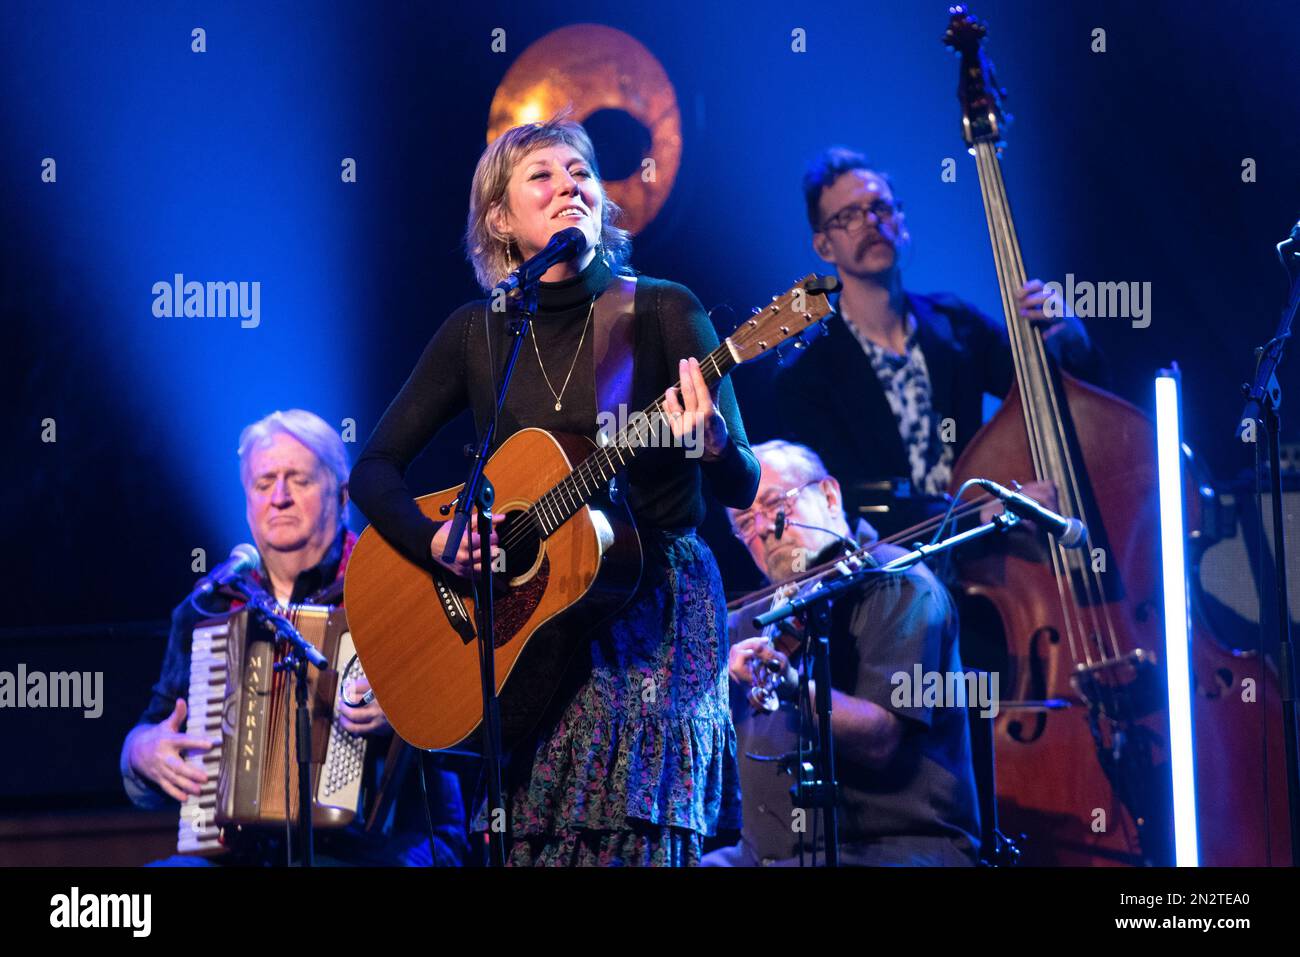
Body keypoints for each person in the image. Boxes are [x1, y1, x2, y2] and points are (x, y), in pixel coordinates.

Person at [348, 117, 761, 866]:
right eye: (542, 174)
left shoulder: (663, 310)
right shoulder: (480, 334)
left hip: (652, 623)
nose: (569, 183)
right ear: (500, 218)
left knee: (632, 843)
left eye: (582, 172)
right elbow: (372, 468)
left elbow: (743, 483)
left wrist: (713, 443)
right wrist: (438, 541)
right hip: (526, 632)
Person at [120, 409, 466, 866]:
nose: (279, 497)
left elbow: (471, 711)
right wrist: (139, 753)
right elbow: (157, 726)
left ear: (342, 496)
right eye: (264, 484)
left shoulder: (393, 583)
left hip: (389, 842)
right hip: (246, 854)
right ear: (247, 501)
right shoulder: (213, 606)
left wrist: (406, 714)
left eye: (298, 480)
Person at [764, 147, 1103, 528]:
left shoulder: (954, 321)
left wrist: (1070, 340)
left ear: (901, 220)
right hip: (896, 569)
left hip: (992, 551)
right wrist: (971, 516)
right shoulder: (804, 376)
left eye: (881, 207)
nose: (871, 221)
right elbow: (848, 498)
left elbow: (1045, 396)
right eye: (849, 216)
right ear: (824, 245)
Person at [702, 440, 981, 866]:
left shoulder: (896, 583)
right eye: (744, 520)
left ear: (830, 495)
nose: (762, 528)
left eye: (777, 504)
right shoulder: (750, 620)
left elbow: (881, 740)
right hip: (766, 857)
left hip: (895, 848)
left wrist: (795, 688)